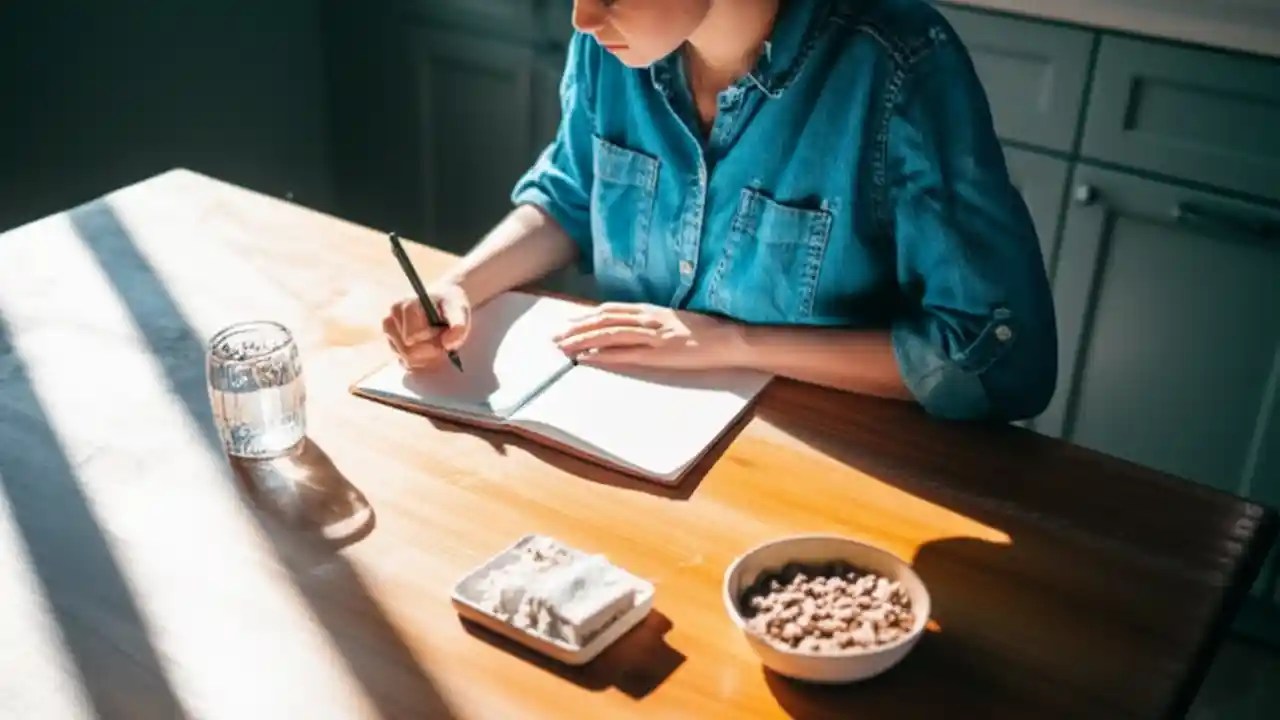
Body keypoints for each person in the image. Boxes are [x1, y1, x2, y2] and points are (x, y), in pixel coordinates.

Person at [382, 0, 1057, 422]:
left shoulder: (899, 65)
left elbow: (1000, 362)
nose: (582, 18)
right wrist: (460, 285)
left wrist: (730, 342)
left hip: (832, 471)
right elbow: (574, 194)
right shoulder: (612, 42)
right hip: (627, 434)